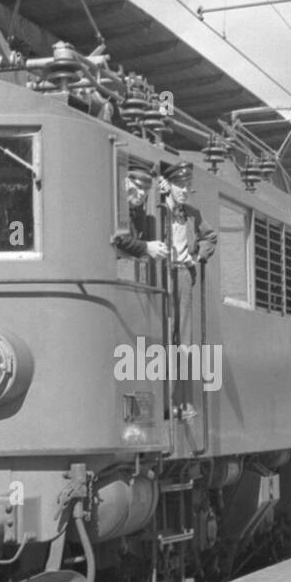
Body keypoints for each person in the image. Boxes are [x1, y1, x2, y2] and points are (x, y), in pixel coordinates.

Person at [162, 162, 216, 420]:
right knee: (162, 337)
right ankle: (166, 400)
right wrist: (158, 194)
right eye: (179, 185)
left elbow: (210, 237)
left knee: (183, 340)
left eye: (187, 186)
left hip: (182, 275)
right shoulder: (160, 208)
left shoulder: (193, 214)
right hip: (161, 275)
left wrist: (198, 258)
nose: (184, 190)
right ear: (168, 185)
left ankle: (183, 401)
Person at [110, 161, 169, 261]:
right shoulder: (115, 205)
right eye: (139, 186)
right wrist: (146, 247)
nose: (142, 193)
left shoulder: (137, 209)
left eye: (146, 189)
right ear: (126, 183)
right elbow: (118, 239)